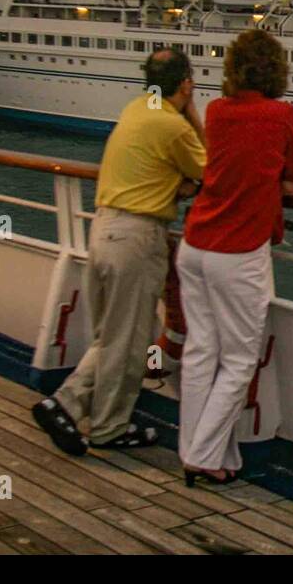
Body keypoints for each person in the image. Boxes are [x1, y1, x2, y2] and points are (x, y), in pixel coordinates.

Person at [32, 48, 206, 455]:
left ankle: (86, 415)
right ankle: (85, 415)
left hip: (105, 225)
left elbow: (154, 164)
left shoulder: (135, 110)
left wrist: (174, 182)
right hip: (137, 235)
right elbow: (208, 169)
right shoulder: (172, 126)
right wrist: (193, 113)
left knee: (114, 336)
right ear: (186, 83)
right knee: (127, 339)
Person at [175, 29, 293, 486]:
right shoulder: (284, 114)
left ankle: (208, 454)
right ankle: (202, 455)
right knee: (239, 359)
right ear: (277, 71)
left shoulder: (216, 110)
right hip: (238, 250)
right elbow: (290, 182)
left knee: (201, 351)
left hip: (194, 244)